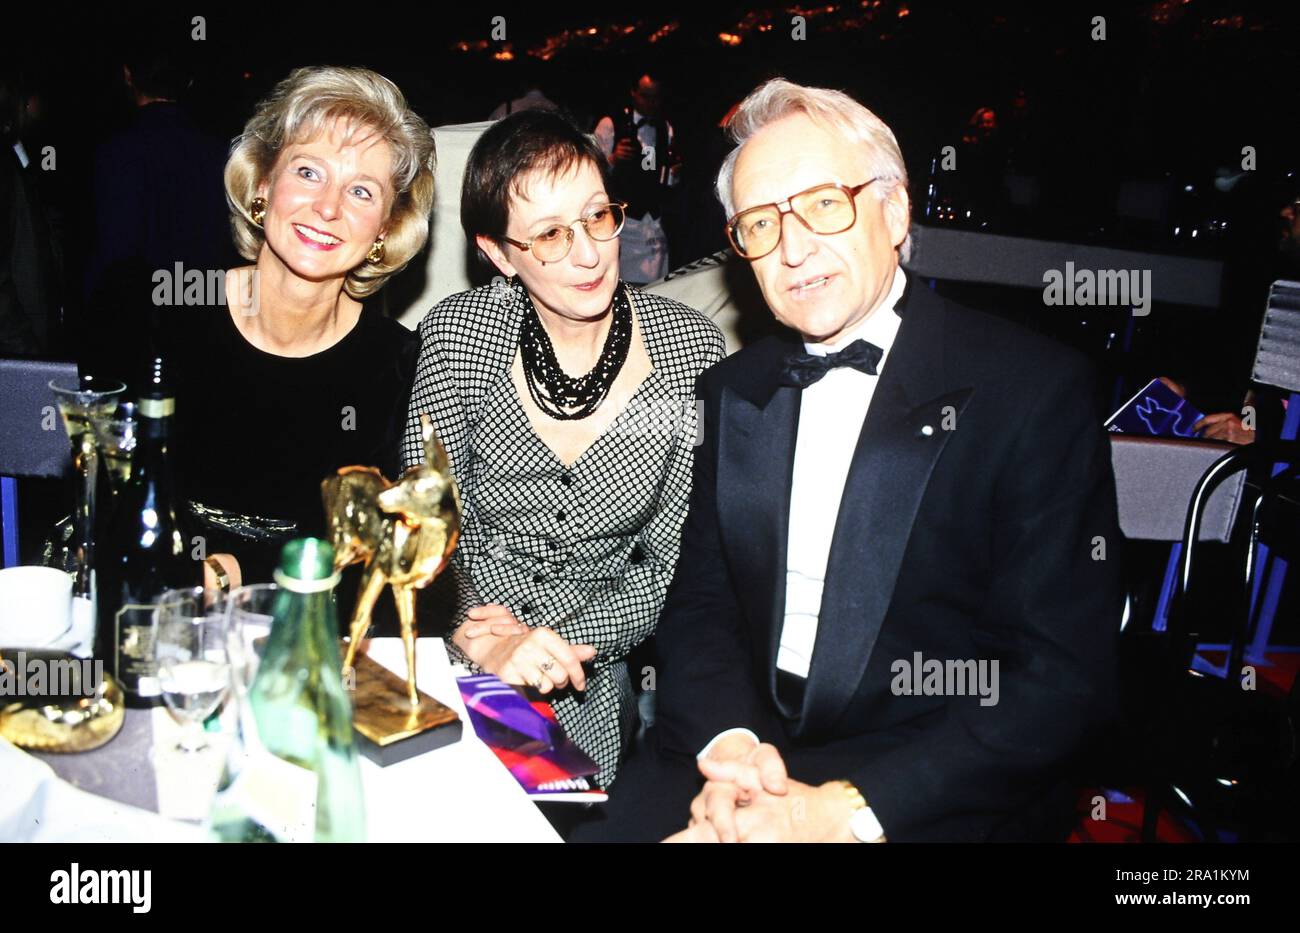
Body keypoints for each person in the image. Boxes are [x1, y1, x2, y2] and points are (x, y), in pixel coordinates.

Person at [573, 79, 1123, 843]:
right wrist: (730, 753)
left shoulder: (1031, 389)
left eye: (824, 205)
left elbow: (1062, 679)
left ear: (894, 212)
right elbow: (701, 608)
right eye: (760, 224)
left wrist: (832, 811)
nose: (793, 249)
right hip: (741, 745)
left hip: (928, 774)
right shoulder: (731, 390)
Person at [403, 109, 725, 789]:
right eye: (549, 234)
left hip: (587, 672)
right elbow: (422, 521)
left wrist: (557, 649)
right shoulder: (460, 336)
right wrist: (478, 632)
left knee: (553, 806)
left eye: (598, 217)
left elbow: (671, 566)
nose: (588, 252)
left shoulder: (690, 352)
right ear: (497, 253)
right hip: (456, 647)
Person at [159, 66, 435, 589]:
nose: (328, 208)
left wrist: (227, 572)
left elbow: (370, 555)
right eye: (309, 172)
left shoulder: (400, 366)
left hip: (313, 631)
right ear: (263, 185)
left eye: (361, 192)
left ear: (386, 228)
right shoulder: (166, 312)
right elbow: (113, 495)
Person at [593, 73, 679, 285]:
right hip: (624, 219)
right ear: (633, 93)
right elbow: (592, 172)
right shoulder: (610, 123)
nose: (651, 103)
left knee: (658, 282)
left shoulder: (664, 125)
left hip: (654, 217)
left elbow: (664, 170)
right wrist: (613, 159)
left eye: (656, 97)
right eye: (645, 96)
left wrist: (673, 175)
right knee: (623, 280)